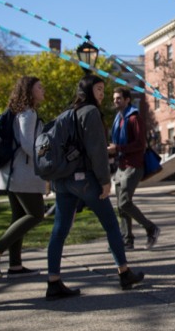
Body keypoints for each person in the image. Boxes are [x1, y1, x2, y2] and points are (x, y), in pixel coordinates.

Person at [45, 75, 144, 300]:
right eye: (99, 89)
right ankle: (124, 273)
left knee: (59, 231)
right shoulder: (90, 113)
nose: (102, 94)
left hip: (63, 180)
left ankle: (53, 282)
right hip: (85, 180)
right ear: (89, 91)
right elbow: (97, 150)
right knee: (110, 225)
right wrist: (104, 180)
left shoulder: (66, 113)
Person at [0, 76, 49, 278]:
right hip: (23, 174)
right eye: (39, 87)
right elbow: (29, 145)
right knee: (36, 214)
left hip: (12, 173)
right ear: (29, 91)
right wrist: (46, 159)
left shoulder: (22, 112)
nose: (43, 89)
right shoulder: (28, 114)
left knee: (19, 217)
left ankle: (15, 265)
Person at [108, 86, 159, 250]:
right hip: (121, 166)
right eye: (114, 98)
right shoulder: (119, 118)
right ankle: (127, 240)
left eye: (119, 98)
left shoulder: (133, 118)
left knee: (124, 203)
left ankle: (151, 228)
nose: (115, 101)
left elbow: (140, 144)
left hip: (134, 166)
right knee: (120, 205)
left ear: (127, 99)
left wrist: (118, 149)